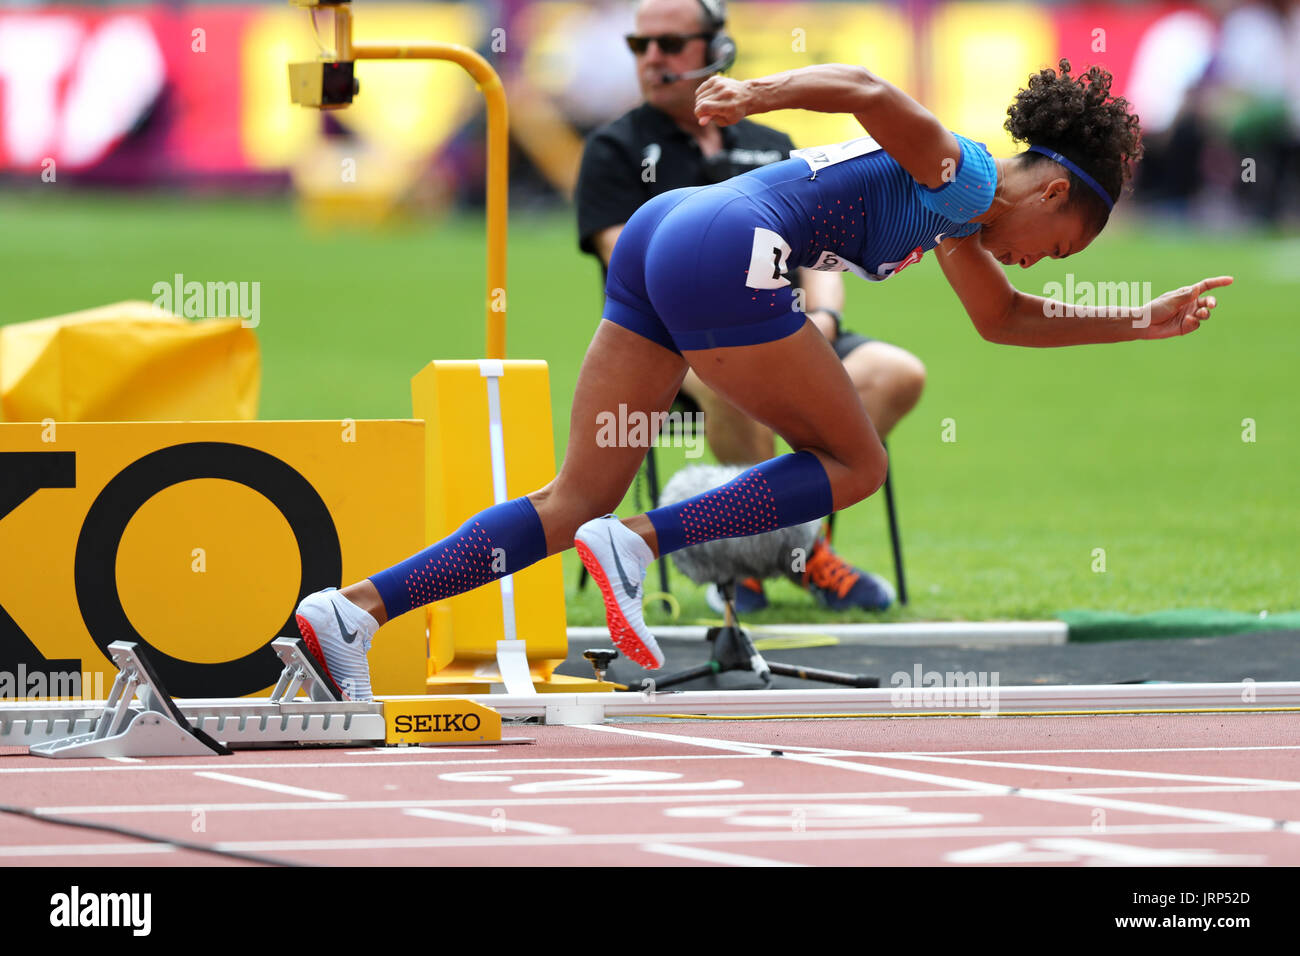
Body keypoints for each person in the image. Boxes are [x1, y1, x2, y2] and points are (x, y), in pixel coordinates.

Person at [295, 58, 1231, 698]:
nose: (1037, 265)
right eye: (1056, 250)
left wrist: (1139, 322)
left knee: (569, 498)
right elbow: (869, 89)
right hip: (731, 247)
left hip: (666, 233)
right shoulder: (969, 176)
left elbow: (1003, 322)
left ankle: (354, 611)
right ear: (1055, 192)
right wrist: (756, 93)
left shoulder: (958, 209)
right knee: (854, 463)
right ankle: (639, 543)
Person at [576, 0, 923, 612]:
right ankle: (766, 556)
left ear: (717, 49)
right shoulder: (613, 147)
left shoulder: (770, 139)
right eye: (640, 46)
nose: (652, 57)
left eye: (669, 43)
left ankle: (794, 547)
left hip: (789, 324)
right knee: (731, 384)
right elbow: (630, 251)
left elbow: (821, 250)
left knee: (898, 374)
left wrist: (824, 318)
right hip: (680, 342)